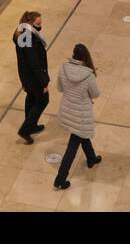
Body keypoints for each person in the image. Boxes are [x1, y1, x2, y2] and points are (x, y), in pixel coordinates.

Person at [52, 43, 102, 190]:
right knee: (73, 144)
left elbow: (60, 88)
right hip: (81, 114)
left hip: (67, 110)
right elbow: (96, 94)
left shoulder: (63, 68)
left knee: (80, 135)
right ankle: (60, 179)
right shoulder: (88, 74)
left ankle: (91, 158)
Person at [12, 11, 49, 143]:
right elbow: (34, 63)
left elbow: (25, 60)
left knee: (32, 97)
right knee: (43, 100)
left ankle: (31, 125)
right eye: (38, 24)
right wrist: (44, 81)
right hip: (34, 77)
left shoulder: (21, 33)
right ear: (30, 23)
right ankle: (25, 130)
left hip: (25, 75)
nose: (40, 26)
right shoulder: (29, 38)